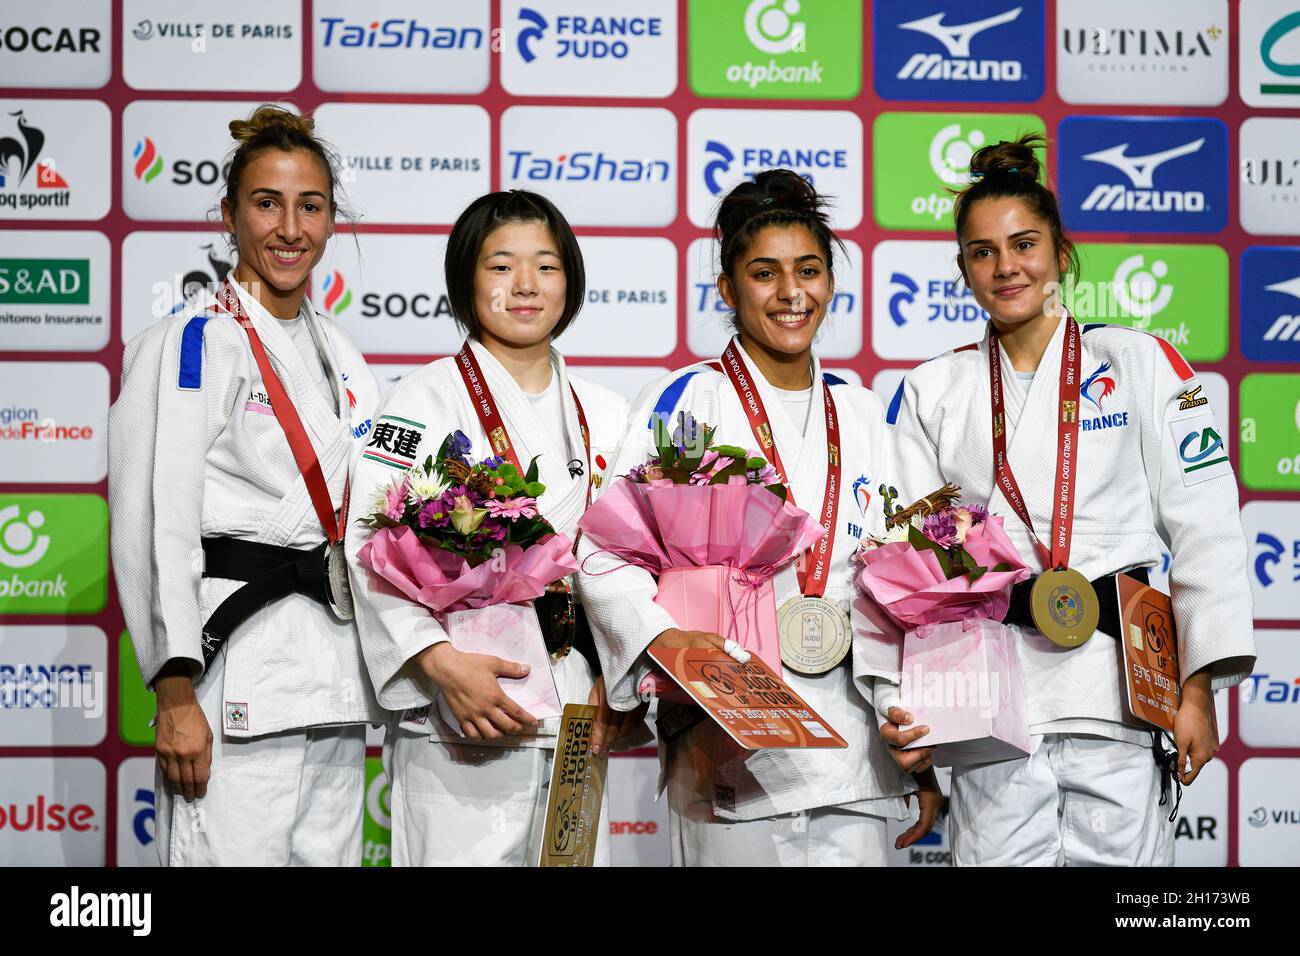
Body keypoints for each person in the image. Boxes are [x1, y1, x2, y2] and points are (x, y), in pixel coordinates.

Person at [884, 134, 1256, 866]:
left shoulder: (1139, 361)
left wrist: (1199, 688)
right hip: (990, 701)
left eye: (1024, 244)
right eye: (982, 253)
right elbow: (910, 568)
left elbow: (1206, 527)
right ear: (963, 270)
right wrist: (908, 708)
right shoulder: (936, 389)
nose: (1006, 267)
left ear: (1060, 254)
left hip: (1118, 689)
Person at [577, 170, 937, 866]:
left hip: (853, 747)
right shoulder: (685, 401)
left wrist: (913, 737)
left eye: (808, 270)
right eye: (764, 273)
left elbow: (905, 581)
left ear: (832, 281)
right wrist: (674, 649)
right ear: (727, 288)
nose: (790, 292)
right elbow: (604, 555)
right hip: (727, 744)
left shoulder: (866, 414)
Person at [109, 105, 384, 865]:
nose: (290, 228)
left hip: (335, 677)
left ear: (332, 220)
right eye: (267, 204)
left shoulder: (343, 354)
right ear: (229, 214)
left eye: (311, 206)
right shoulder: (189, 341)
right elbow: (152, 521)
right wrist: (173, 692)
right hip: (235, 675)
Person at [345, 189, 637, 866]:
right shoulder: (421, 398)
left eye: (547, 265)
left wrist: (623, 677)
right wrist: (439, 665)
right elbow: (367, 547)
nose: (526, 285)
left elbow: (629, 568)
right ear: (465, 279)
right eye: (501, 266)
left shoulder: (608, 413)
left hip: (575, 716)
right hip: (461, 713)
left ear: (571, 279)